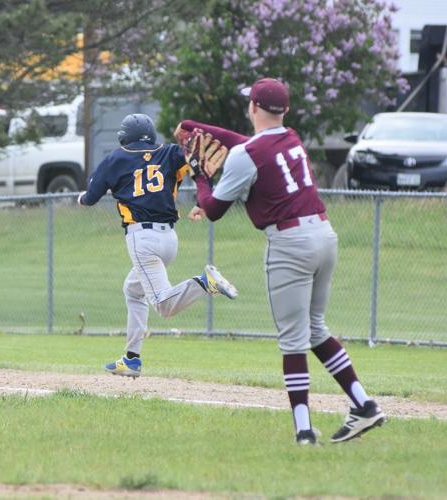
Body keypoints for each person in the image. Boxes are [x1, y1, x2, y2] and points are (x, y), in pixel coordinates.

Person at [177, 78, 385, 444]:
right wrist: (200, 128)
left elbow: (213, 210)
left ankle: (304, 431)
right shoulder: (291, 139)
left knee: (293, 339)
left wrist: (199, 175)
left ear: (253, 108)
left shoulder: (248, 154)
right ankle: (364, 406)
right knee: (315, 328)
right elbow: (244, 144)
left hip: (290, 243)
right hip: (324, 234)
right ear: (284, 110)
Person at [77, 114, 238, 378]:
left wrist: (80, 198)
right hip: (169, 241)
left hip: (142, 239)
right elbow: (199, 169)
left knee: (164, 305)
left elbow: (92, 197)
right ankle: (131, 359)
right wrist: (203, 196)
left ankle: (205, 282)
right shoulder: (171, 153)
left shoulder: (115, 158)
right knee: (132, 289)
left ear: (123, 137)